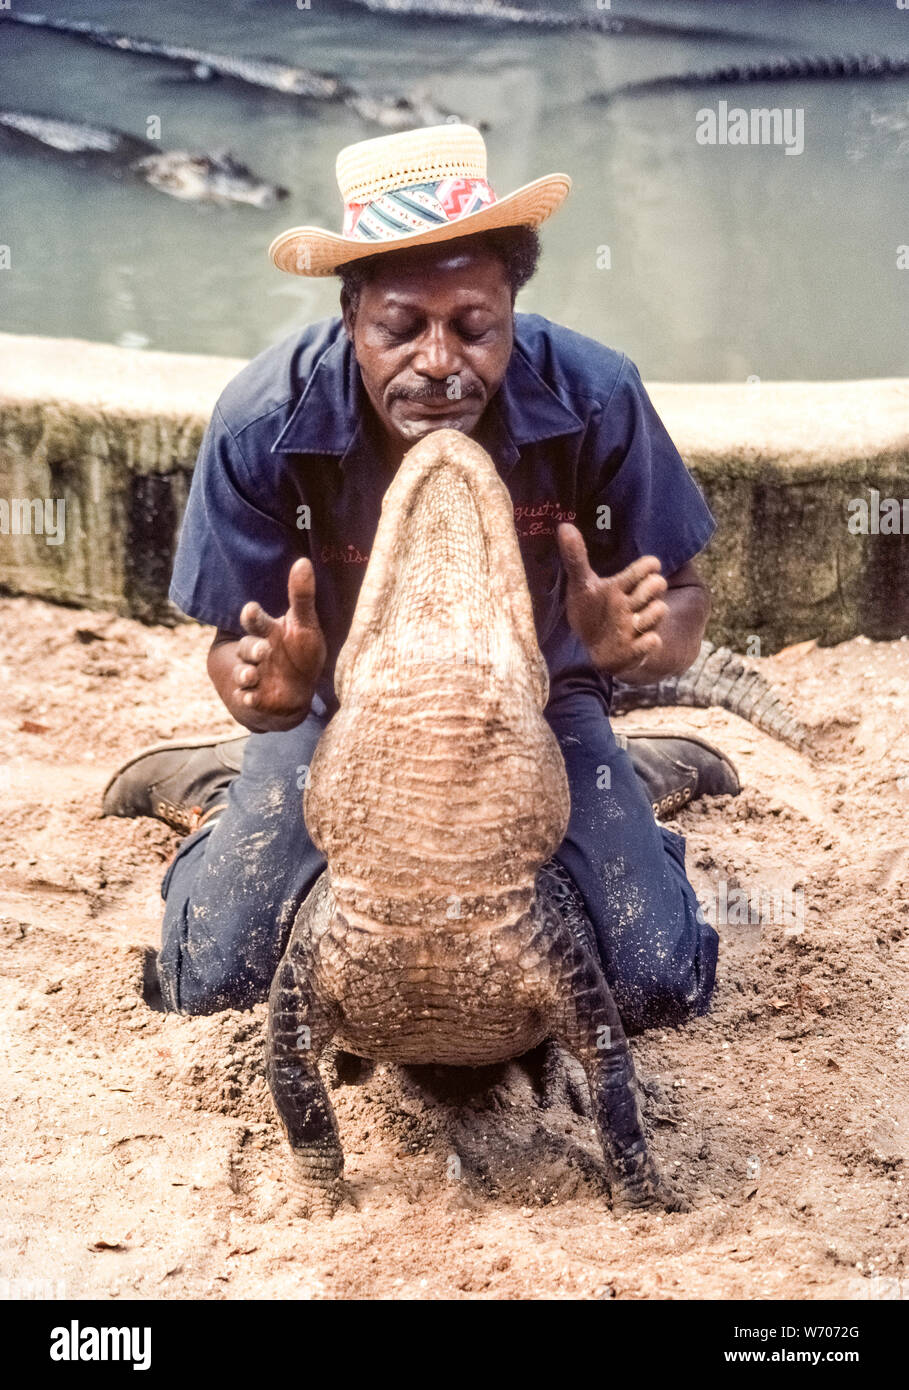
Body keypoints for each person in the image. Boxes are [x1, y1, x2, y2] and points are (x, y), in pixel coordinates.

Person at [104, 124, 737, 1030]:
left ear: (513, 307)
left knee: (653, 982)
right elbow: (233, 651)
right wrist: (270, 701)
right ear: (350, 314)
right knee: (214, 978)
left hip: (541, 707)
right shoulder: (261, 422)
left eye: (475, 328)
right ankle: (223, 788)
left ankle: (618, 783)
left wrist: (635, 652)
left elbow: (678, 593)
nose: (439, 363)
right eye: (399, 329)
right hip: (336, 711)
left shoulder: (596, 396)